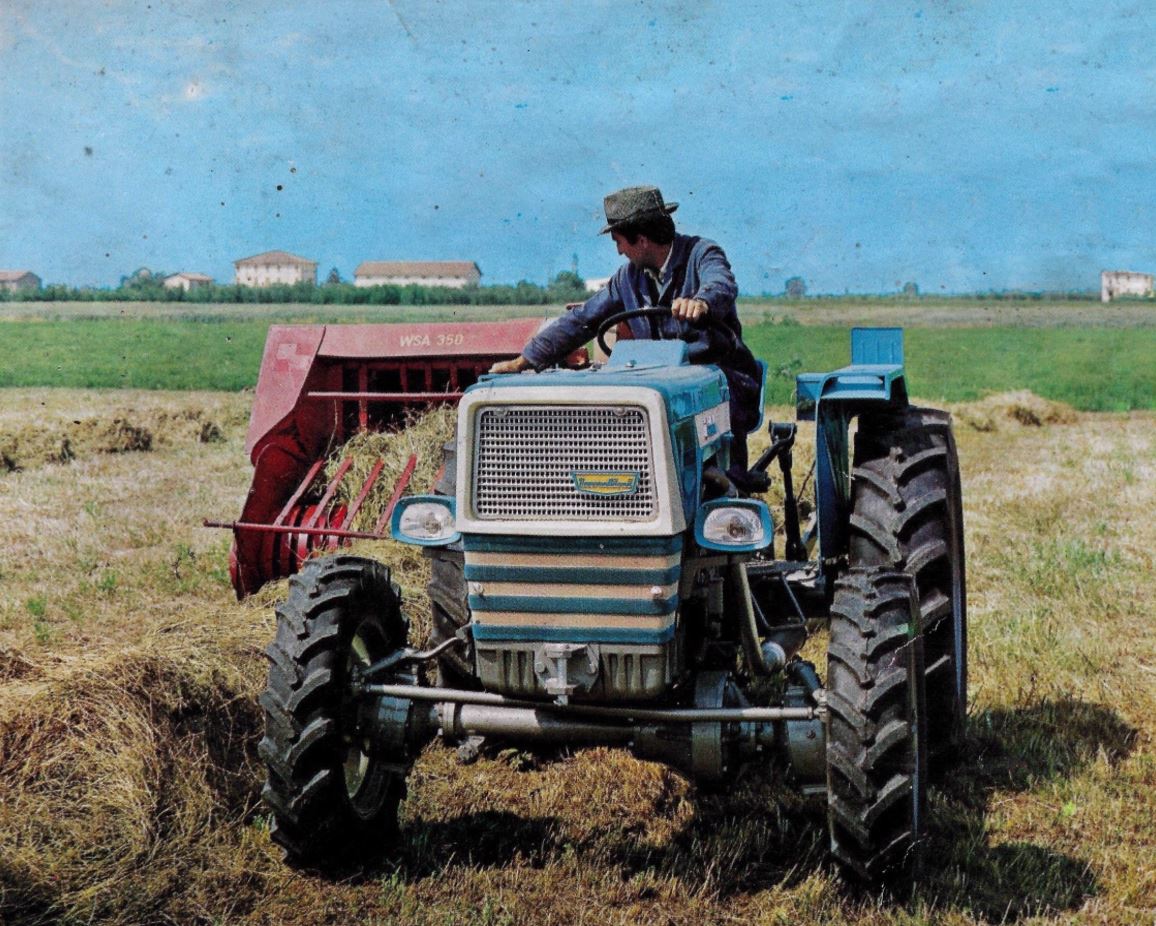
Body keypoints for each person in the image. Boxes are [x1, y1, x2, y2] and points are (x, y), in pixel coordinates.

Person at [490, 185, 762, 480]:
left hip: (717, 376)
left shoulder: (701, 254)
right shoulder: (627, 278)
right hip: (659, 382)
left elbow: (721, 284)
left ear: (642, 240)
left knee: (717, 422)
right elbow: (584, 319)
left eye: (620, 242)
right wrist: (526, 360)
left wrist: (701, 302)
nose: (619, 250)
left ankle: (731, 489)